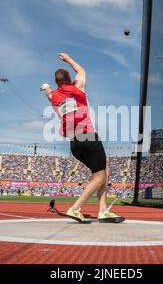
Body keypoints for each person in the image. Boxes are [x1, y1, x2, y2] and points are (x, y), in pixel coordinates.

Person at [41, 53, 124, 224]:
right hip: (88, 137)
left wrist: (45, 87)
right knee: (100, 177)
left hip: (74, 144)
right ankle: (76, 208)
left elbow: (48, 93)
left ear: (57, 83)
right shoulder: (77, 87)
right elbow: (82, 70)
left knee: (104, 171)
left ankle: (102, 210)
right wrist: (69, 59)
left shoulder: (54, 97)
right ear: (70, 79)